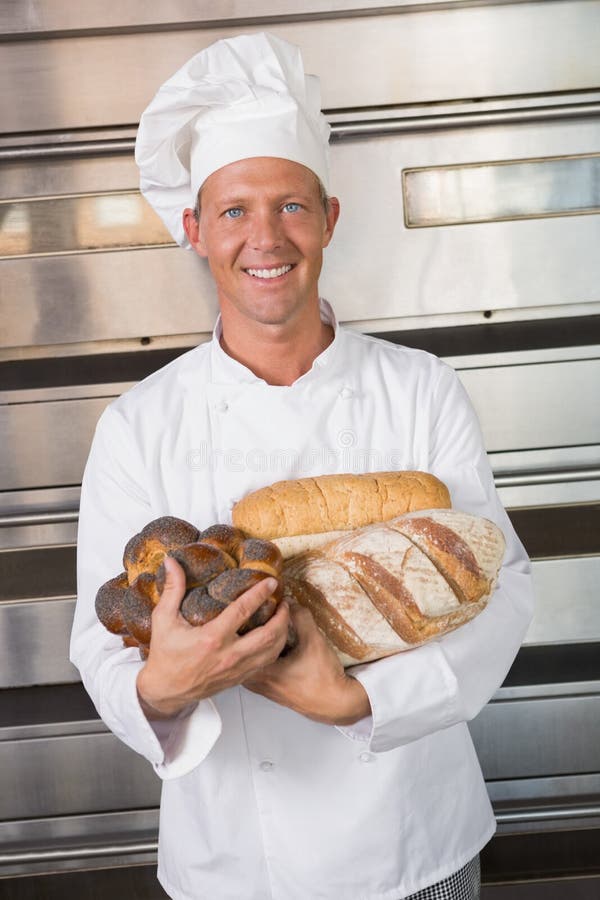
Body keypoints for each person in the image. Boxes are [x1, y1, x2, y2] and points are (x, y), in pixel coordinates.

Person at [71, 32, 534, 900]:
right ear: (194, 229)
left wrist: (359, 703)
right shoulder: (139, 423)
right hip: (235, 864)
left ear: (328, 217)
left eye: (290, 205)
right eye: (235, 209)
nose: (265, 237)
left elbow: (501, 584)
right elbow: (100, 645)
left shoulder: (422, 387)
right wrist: (164, 690)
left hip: (415, 840)